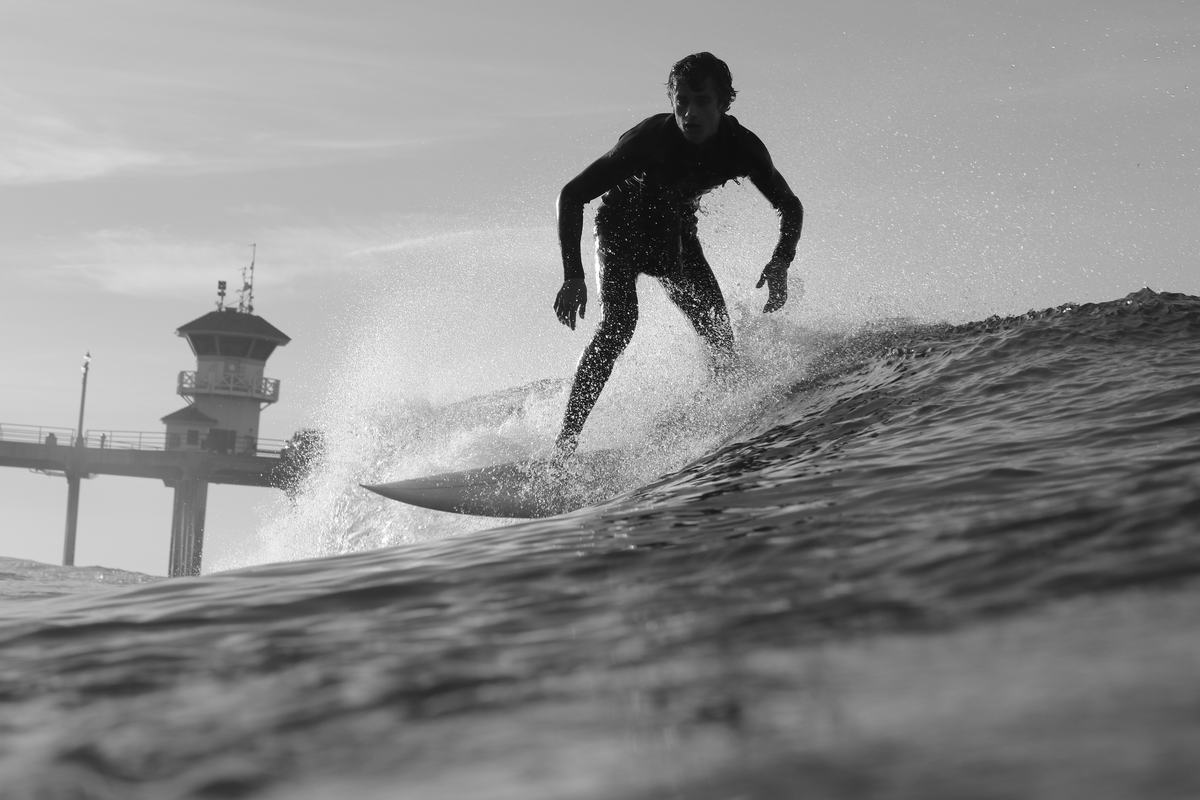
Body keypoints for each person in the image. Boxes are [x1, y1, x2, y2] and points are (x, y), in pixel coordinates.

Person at [552, 52, 803, 456]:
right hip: (620, 231)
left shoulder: (742, 148)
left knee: (721, 338)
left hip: (675, 238)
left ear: (723, 104)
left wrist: (780, 260)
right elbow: (572, 195)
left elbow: (789, 205)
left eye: (702, 101)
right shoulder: (649, 140)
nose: (690, 112)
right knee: (619, 325)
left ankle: (723, 429)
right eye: (681, 100)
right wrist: (572, 276)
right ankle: (564, 446)